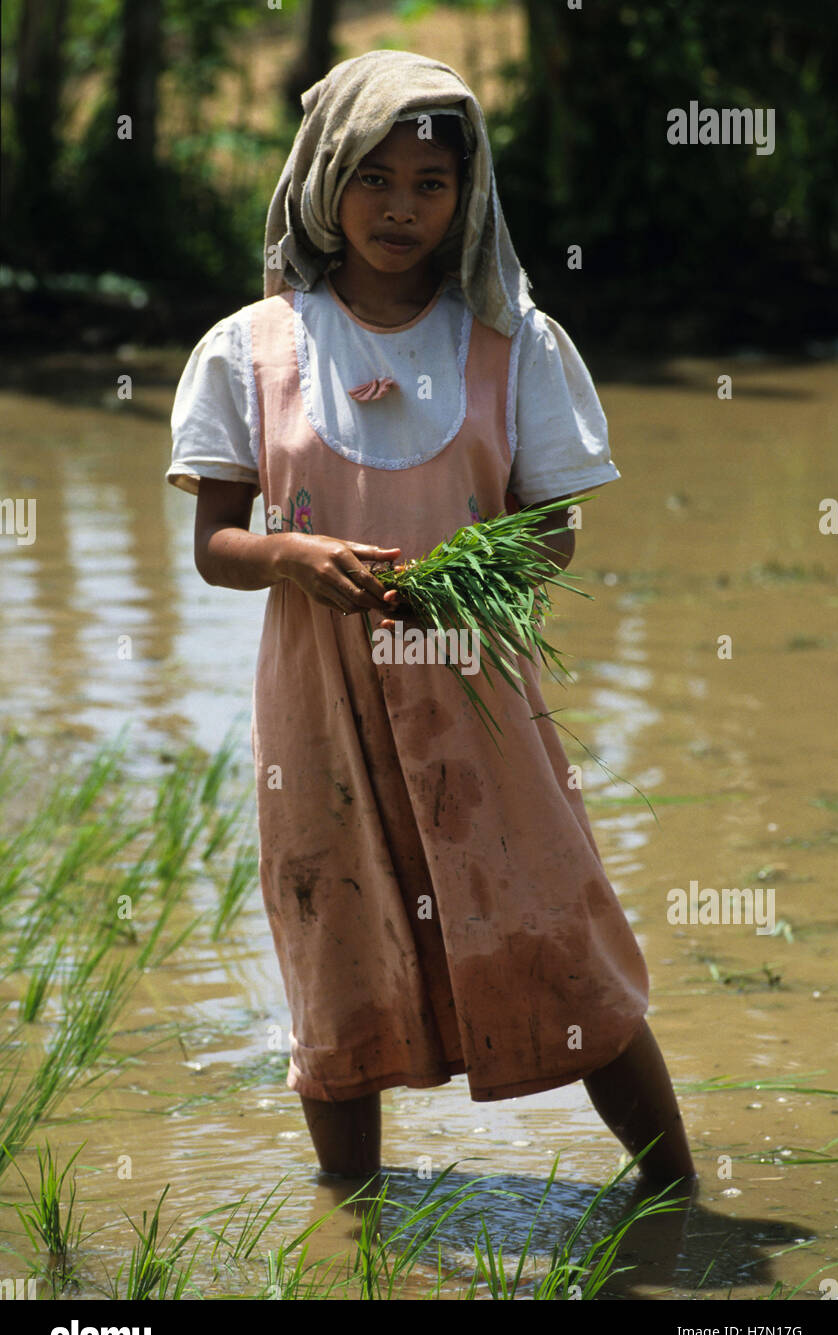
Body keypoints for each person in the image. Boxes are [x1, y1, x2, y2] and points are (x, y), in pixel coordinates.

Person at [167, 50, 696, 1193]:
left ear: (468, 195)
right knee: (336, 932)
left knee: (557, 929)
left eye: (430, 183)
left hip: (475, 697)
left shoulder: (513, 342)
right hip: (320, 709)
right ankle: (351, 1229)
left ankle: (679, 1198)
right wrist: (292, 554)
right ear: (322, 182)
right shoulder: (251, 349)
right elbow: (216, 547)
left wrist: (479, 566)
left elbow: (556, 529)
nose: (401, 208)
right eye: (373, 179)